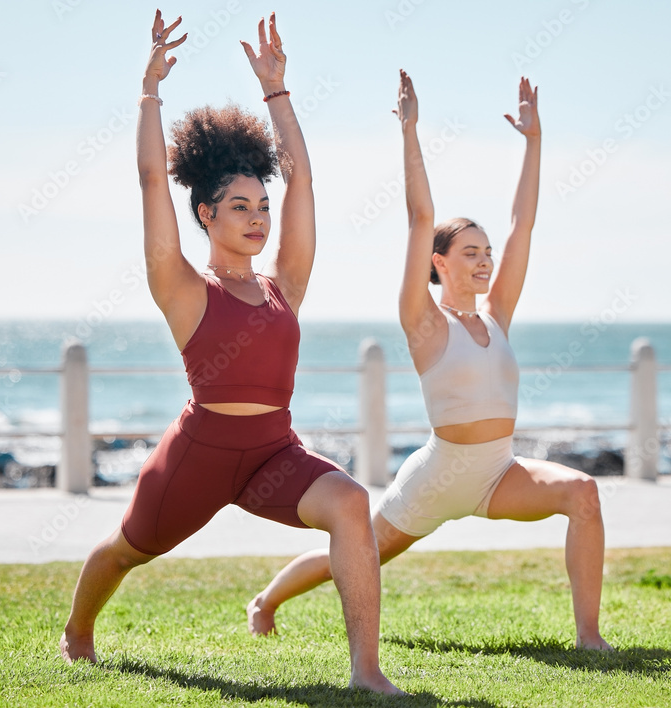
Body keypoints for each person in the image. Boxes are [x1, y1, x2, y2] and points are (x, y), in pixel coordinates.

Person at [59, 10, 403, 695]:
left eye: (261, 207)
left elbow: (302, 182)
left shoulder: (285, 287)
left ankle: (366, 672)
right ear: (206, 215)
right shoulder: (183, 287)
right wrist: (150, 91)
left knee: (352, 503)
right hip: (200, 456)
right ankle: (77, 632)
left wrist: (278, 93)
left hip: (274, 455)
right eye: (240, 206)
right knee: (129, 549)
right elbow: (153, 182)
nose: (257, 218)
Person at [247, 70, 612, 651]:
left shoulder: (497, 315)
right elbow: (420, 219)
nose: (485, 261)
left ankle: (589, 638)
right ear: (439, 262)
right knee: (362, 550)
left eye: (486, 253)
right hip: (437, 479)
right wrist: (410, 132)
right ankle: (266, 600)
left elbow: (524, 226)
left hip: (499, 473)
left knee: (583, 492)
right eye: (471, 253)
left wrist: (534, 142)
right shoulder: (423, 322)